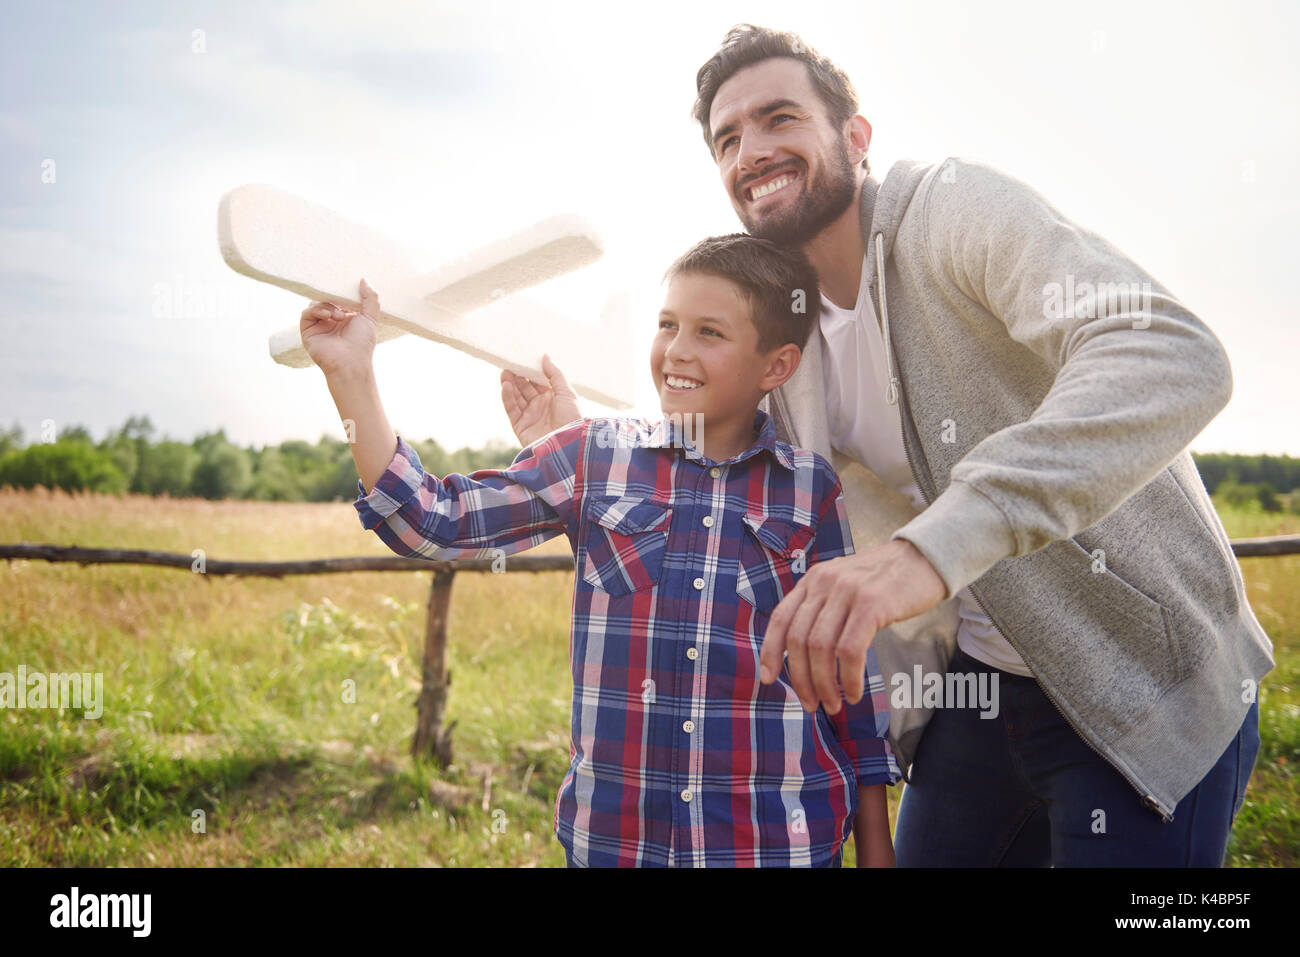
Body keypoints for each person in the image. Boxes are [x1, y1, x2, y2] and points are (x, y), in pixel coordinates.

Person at [500, 24, 1274, 866]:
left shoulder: (954, 211)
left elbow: (1169, 351)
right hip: (971, 696)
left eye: (779, 118)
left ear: (855, 137)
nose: (751, 151)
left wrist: (926, 552)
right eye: (728, 139)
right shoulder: (781, 336)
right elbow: (723, 480)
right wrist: (571, 445)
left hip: (1134, 681)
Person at [303, 234, 900, 867]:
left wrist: (876, 849)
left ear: (775, 367)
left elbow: (846, 681)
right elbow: (431, 520)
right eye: (667, 325)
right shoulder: (591, 456)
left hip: (779, 845)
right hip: (619, 846)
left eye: (709, 333)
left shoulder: (809, 488)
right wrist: (350, 374)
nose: (676, 350)